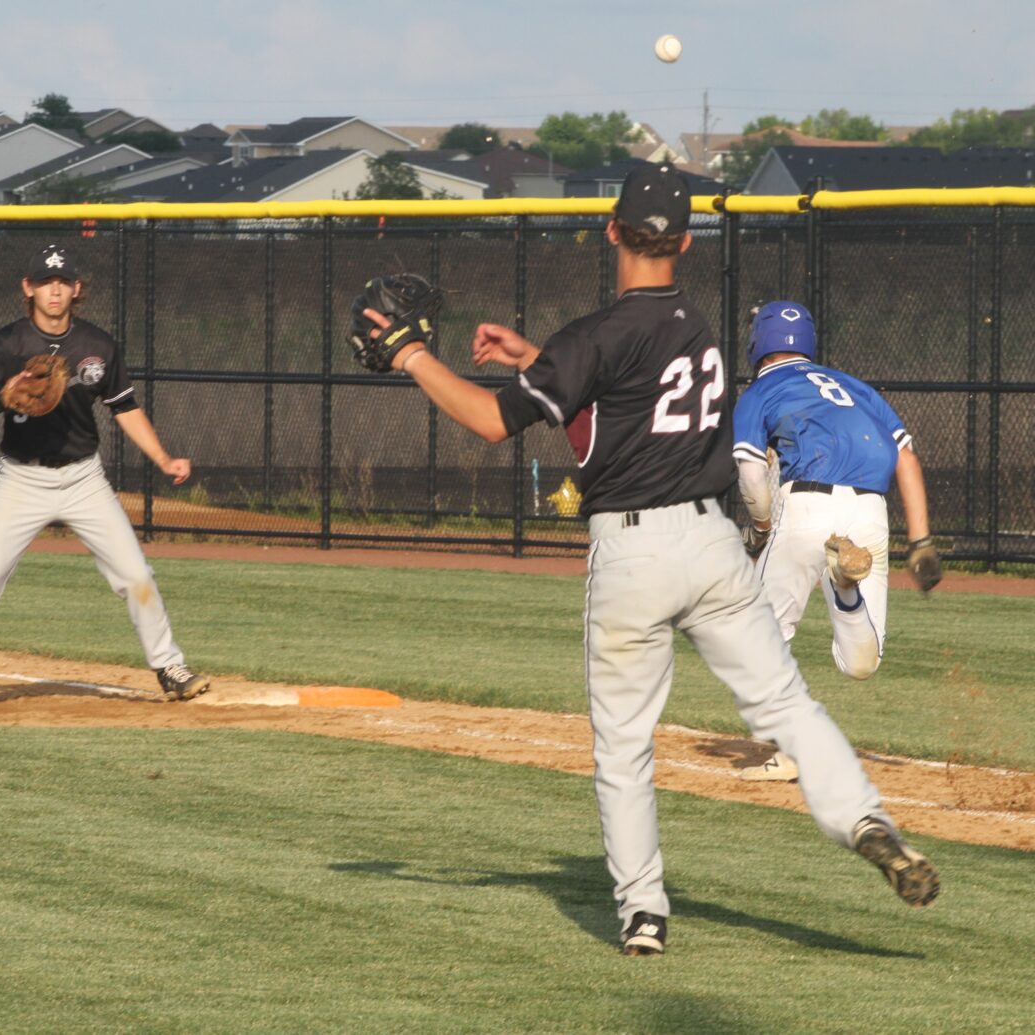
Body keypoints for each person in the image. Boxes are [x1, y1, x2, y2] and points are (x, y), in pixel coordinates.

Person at [357, 165, 938, 955]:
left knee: (625, 743)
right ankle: (865, 817)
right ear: (686, 242)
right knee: (786, 706)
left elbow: (495, 421)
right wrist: (533, 356)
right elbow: (619, 399)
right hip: (713, 547)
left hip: (633, 553)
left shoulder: (595, 334)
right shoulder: (693, 326)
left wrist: (409, 356)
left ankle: (643, 912)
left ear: (611, 231)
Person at [0, 244, 210, 712]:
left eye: (63, 282)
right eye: (44, 282)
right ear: (28, 289)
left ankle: (170, 669)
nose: (54, 290)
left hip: (83, 480)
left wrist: (163, 459)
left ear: (76, 289)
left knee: (136, 575)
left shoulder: (97, 346)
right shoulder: (7, 345)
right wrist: (0, 400)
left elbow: (125, 408)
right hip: (21, 481)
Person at [732, 301, 942, 783]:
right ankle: (846, 589)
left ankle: (792, 751)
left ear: (759, 341)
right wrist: (922, 540)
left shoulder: (762, 390)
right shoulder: (854, 387)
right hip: (870, 512)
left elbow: (749, 472)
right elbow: (905, 456)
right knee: (860, 665)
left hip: (804, 505)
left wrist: (761, 529)